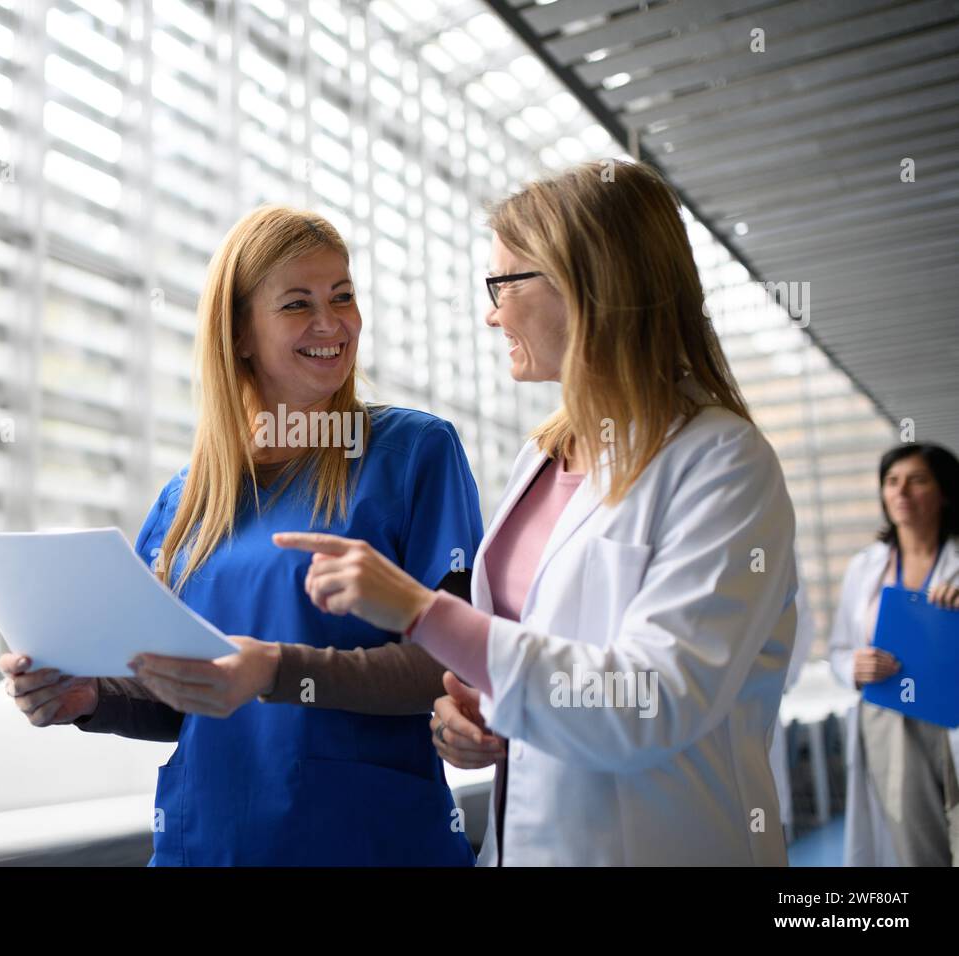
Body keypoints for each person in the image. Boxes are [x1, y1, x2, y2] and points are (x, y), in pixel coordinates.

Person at [277, 159, 798, 865]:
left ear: (585, 284)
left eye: (503, 284)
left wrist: (422, 611)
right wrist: (479, 721)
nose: (492, 312)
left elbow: (651, 701)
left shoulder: (722, 463)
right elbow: (534, 667)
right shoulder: (543, 459)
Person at [0, 205, 485, 866]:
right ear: (241, 334)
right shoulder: (189, 496)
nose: (332, 323)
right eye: (297, 304)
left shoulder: (413, 452)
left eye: (343, 296)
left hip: (364, 842)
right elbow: (184, 696)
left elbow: (455, 664)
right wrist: (91, 698)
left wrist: (278, 670)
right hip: (206, 844)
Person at [828, 442, 959, 866]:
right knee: (914, 843)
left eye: (917, 480)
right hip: (890, 718)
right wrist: (854, 665)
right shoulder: (865, 566)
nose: (900, 492)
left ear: (945, 492)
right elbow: (839, 648)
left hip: (950, 712)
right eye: (891, 481)